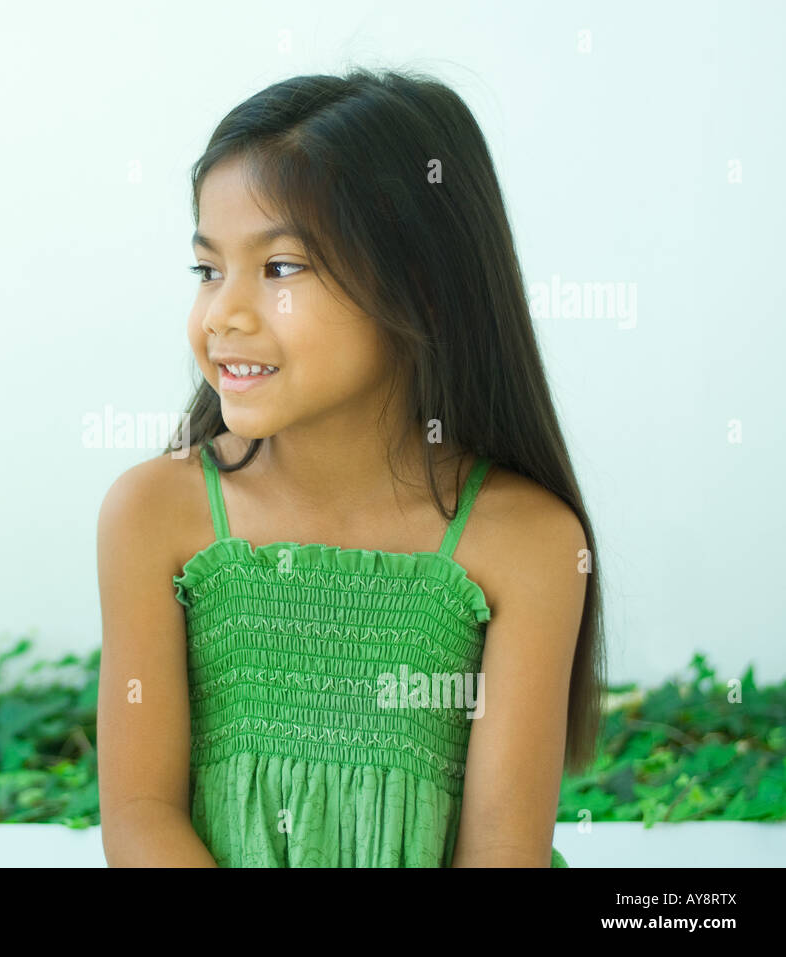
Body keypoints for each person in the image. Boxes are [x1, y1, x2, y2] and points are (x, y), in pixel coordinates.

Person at [96, 67, 604, 867]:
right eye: (208, 269)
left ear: (424, 289)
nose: (223, 312)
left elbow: (503, 849)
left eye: (282, 268)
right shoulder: (152, 513)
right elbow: (137, 812)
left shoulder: (529, 541)